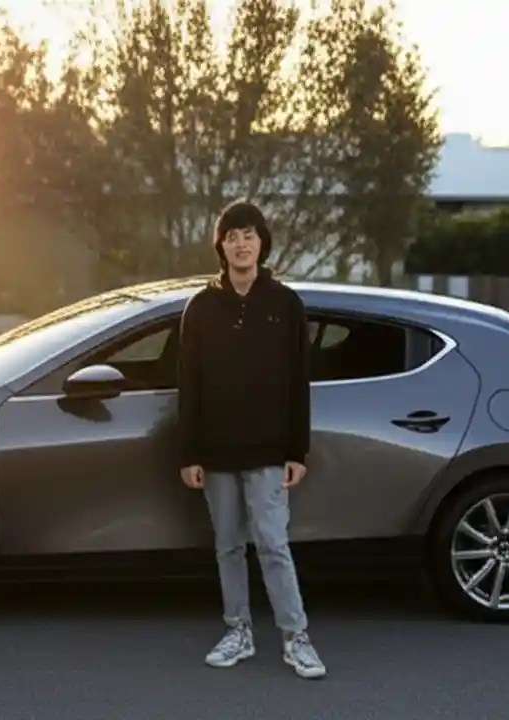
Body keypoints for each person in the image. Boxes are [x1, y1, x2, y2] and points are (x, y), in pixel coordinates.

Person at [176, 198, 326, 679]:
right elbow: (190, 384)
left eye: (250, 235)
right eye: (232, 236)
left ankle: (295, 637)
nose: (242, 244)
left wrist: (295, 451)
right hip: (216, 453)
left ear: (262, 243)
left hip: (267, 451)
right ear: (221, 246)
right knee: (227, 546)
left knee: (272, 544)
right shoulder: (201, 308)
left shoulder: (285, 304)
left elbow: (297, 382)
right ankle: (237, 630)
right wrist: (190, 452)